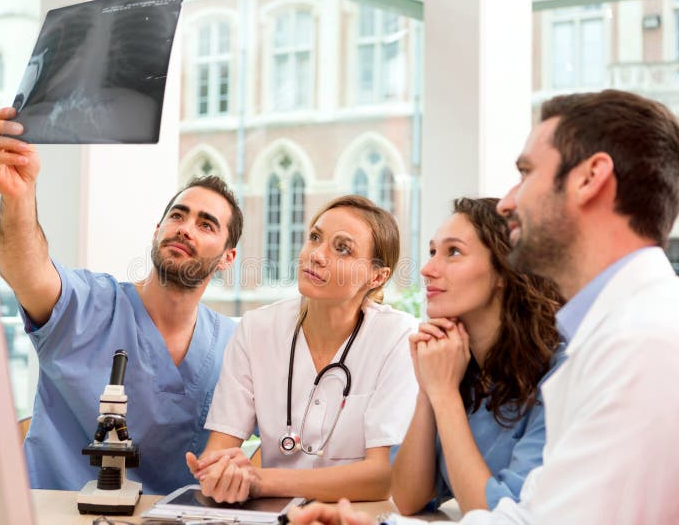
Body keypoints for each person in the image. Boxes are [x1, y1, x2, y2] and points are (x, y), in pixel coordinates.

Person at [288, 89, 679, 525]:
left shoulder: (642, 345)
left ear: (590, 178)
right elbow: (532, 516)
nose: (509, 201)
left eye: (526, 173)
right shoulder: (616, 333)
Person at [0, 107, 243, 493]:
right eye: (178, 216)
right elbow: (24, 269)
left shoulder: (232, 347)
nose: (185, 228)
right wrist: (18, 197)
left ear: (227, 258)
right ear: (157, 231)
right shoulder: (89, 307)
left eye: (206, 224)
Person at [185, 196, 418, 503]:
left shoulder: (397, 337)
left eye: (342, 248)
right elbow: (221, 448)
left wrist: (261, 480)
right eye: (315, 238)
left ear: (377, 277)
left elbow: (383, 476)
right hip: (275, 516)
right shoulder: (256, 329)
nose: (316, 255)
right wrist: (219, 473)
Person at [392, 197, 564, 515]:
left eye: (453, 252)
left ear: (504, 269)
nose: (428, 270)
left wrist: (444, 394)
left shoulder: (560, 372)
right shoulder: (457, 363)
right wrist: (428, 392)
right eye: (432, 252)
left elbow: (498, 516)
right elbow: (407, 497)